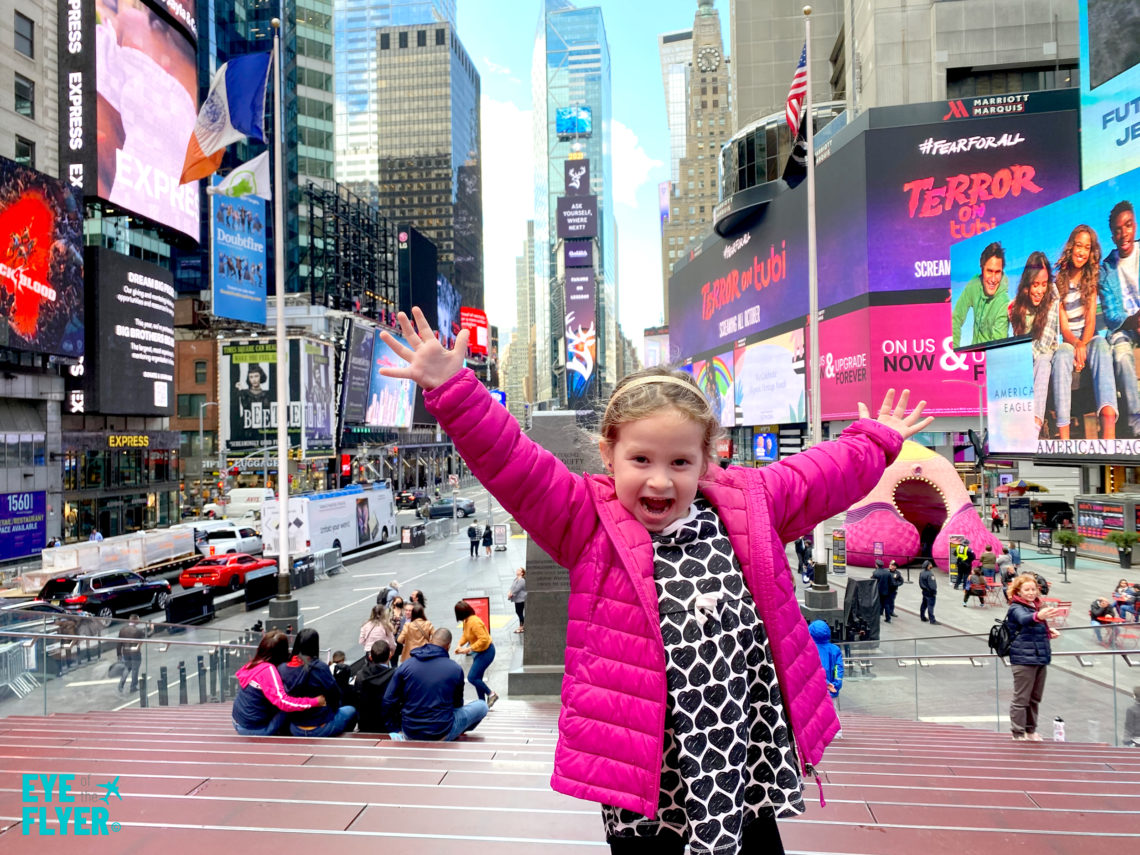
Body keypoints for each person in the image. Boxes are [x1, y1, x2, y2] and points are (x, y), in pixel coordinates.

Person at [376, 306, 932, 854]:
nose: (660, 481)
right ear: (609, 454)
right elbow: (513, 462)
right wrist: (454, 388)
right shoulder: (585, 520)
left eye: (681, 463)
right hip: (644, 770)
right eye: (640, 459)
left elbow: (823, 475)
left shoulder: (752, 503)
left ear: (708, 459)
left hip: (742, 752)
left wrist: (878, 438)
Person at [1052, 224, 1116, 439]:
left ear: (1091, 253)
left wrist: (1083, 343)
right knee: (1061, 354)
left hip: (1088, 336)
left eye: (1086, 248)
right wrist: (1076, 344)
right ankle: (1064, 434)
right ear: (1071, 247)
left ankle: (1108, 429)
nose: (1081, 251)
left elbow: (1090, 321)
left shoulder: (1090, 279)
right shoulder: (1058, 281)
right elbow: (1063, 326)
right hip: (1069, 339)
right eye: (1078, 245)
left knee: (1102, 345)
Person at [382, 627, 489, 741]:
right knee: (482, 706)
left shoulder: (406, 665)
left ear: (431, 640)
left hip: (410, 731)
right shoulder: (455, 669)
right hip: (442, 731)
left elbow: (388, 700)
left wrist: (394, 728)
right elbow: (457, 705)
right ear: (448, 646)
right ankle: (457, 732)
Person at [1097, 201, 1140, 436]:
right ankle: (1137, 425)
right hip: (1125, 327)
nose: (1124, 233)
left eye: (1128, 225)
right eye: (1117, 229)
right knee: (1122, 355)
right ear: (1112, 235)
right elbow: (1112, 317)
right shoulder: (1106, 269)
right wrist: (1134, 321)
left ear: (1135, 225)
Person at [1008, 251, 1061, 436]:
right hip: (1027, 360)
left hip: (1048, 357)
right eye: (1035, 284)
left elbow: (1045, 342)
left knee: (1044, 359)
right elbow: (1017, 342)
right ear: (1027, 285)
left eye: (1044, 284)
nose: (1040, 290)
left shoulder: (1053, 295)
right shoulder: (1016, 307)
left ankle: (1036, 422)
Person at [232, 631, 325, 736]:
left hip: (238, 722)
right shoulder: (268, 670)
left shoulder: (253, 664)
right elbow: (283, 702)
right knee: (292, 696)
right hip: (256, 729)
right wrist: (314, 701)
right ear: (282, 652)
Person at [1005, 574, 1060, 741]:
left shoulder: (1035, 606)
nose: (1031, 592)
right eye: (1026, 589)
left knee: (1035, 697)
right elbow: (1024, 619)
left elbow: (1031, 629)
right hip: (1023, 658)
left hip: (1039, 656)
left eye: (1033, 589)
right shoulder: (1016, 607)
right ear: (1018, 591)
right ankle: (1018, 733)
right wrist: (1039, 616)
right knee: (1021, 698)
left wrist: (1048, 632)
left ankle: (1030, 731)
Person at [278, 628, 358, 737]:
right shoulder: (320, 668)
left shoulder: (283, 668)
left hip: (295, 727)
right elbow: (335, 694)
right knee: (351, 710)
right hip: (321, 727)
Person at [951, 241, 1011, 347]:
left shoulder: (1004, 304)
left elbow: (996, 348)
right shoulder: (974, 285)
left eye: (997, 272)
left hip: (990, 358)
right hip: (974, 356)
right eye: (989, 271)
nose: (993, 279)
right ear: (982, 269)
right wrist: (953, 348)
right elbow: (956, 318)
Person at [455, 600, 498, 707]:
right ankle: (482, 704)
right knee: (477, 678)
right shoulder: (466, 621)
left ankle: (491, 694)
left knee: (472, 677)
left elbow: (483, 639)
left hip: (486, 652)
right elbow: (466, 635)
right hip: (479, 653)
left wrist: (468, 649)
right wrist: (459, 644)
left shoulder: (474, 622)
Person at [354, 640, 400, 735]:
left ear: (370, 657)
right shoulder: (396, 676)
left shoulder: (360, 675)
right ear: (390, 656)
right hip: (389, 726)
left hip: (366, 725)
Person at [808, 620, 843, 700]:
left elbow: (811, 671)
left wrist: (826, 683)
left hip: (813, 692)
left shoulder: (808, 650)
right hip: (831, 693)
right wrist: (836, 685)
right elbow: (838, 669)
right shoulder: (835, 649)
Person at [116, 615, 145, 693]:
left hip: (125, 652)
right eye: (138, 619)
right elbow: (146, 637)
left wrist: (119, 654)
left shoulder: (122, 630)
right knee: (135, 670)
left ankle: (121, 685)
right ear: (135, 620)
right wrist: (152, 628)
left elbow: (119, 643)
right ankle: (133, 687)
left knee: (127, 669)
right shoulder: (138, 630)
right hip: (135, 652)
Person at [918, 560, 939, 625]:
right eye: (930, 564)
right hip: (930, 592)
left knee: (924, 604)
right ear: (928, 566)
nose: (931, 565)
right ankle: (932, 620)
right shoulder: (930, 574)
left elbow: (920, 582)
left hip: (924, 591)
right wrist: (934, 591)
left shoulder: (921, 573)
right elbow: (932, 585)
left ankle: (922, 616)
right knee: (930, 606)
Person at [507, 567, 527, 633]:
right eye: (517, 570)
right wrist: (510, 592)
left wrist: (511, 594)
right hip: (517, 599)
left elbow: (517, 589)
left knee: (519, 612)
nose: (517, 571)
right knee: (518, 612)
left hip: (521, 599)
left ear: (522, 573)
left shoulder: (522, 580)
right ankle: (522, 625)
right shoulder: (516, 579)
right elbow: (512, 587)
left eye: (519, 570)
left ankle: (522, 626)